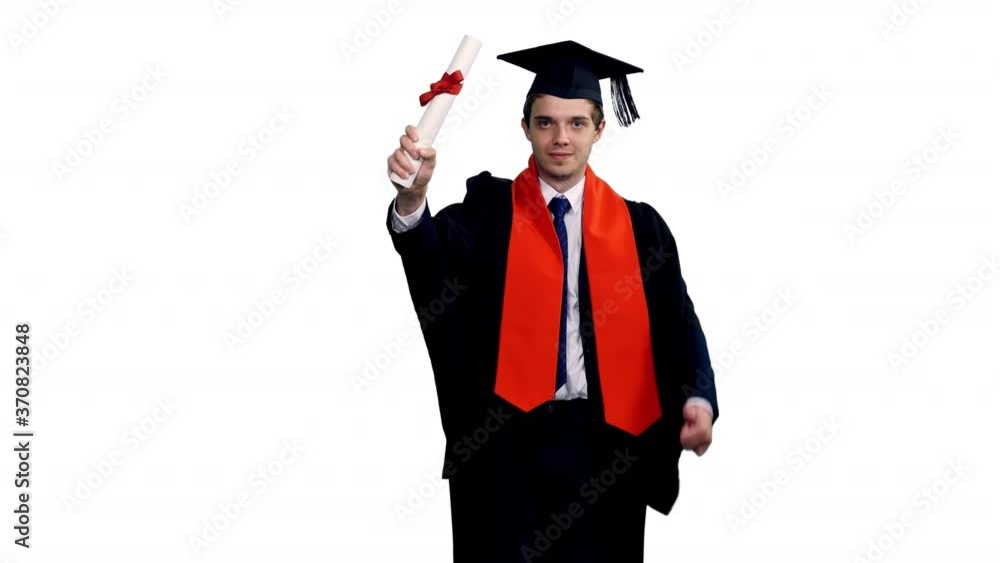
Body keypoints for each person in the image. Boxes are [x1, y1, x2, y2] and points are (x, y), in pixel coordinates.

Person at [384, 40, 719, 563]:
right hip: (502, 451)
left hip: (606, 450)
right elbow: (429, 256)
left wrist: (697, 399)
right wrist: (412, 198)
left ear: (599, 129)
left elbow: (678, 323)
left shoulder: (640, 228)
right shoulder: (487, 215)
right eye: (546, 123)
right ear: (525, 128)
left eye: (577, 123)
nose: (561, 137)